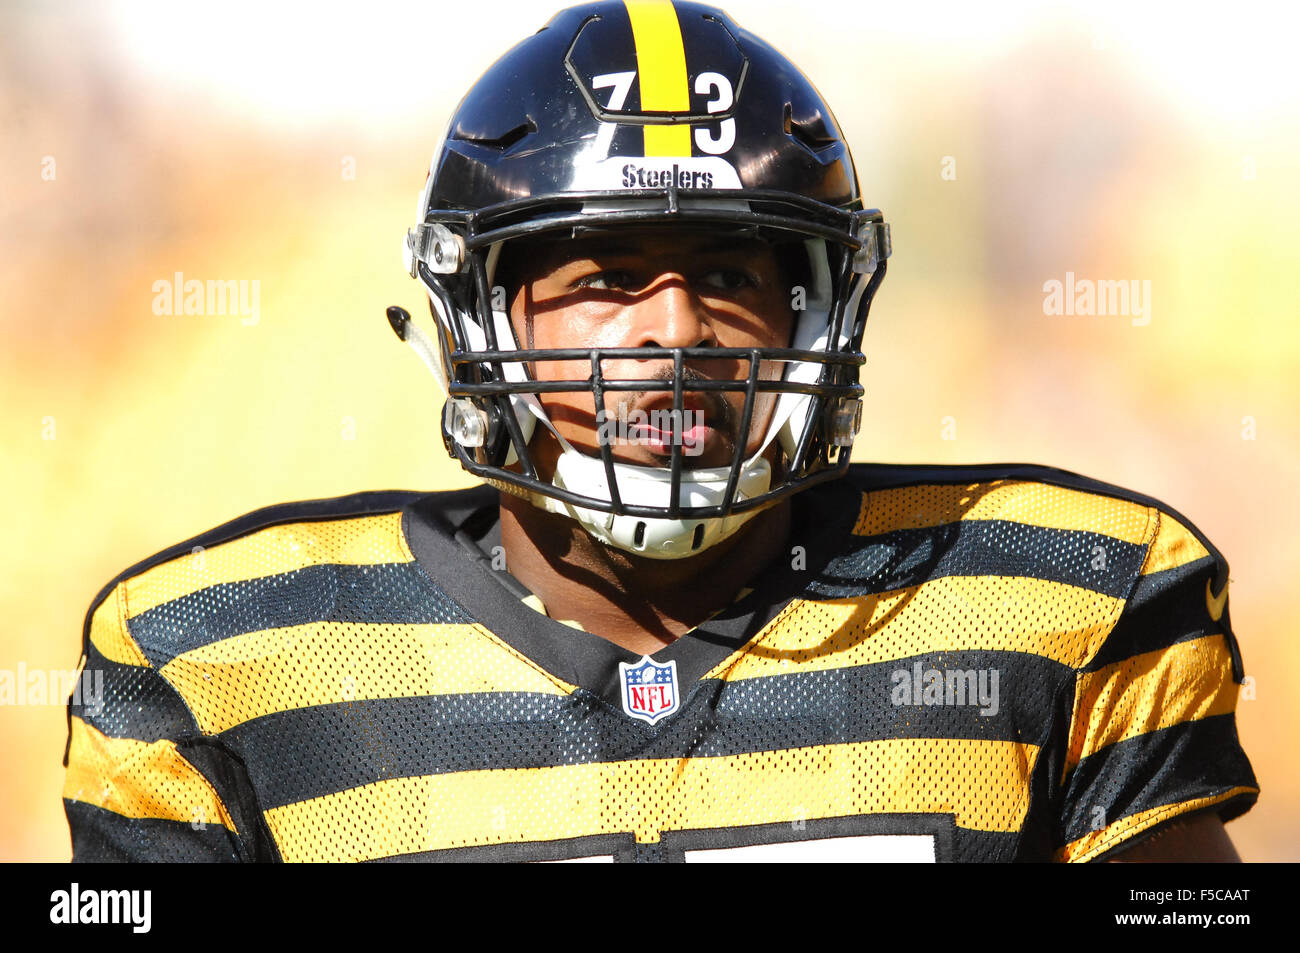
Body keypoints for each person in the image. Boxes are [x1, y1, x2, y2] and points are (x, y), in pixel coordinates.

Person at [63, 0, 1256, 862]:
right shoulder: (215, 654)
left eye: (731, 274)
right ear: (474, 319)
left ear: (823, 304)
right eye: (603, 276)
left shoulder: (1073, 592)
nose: (673, 329)